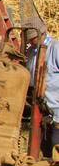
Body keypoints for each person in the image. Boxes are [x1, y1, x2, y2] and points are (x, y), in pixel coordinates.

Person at [23, 16, 59, 155]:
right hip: (41, 106)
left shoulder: (55, 48)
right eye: (30, 39)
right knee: (44, 146)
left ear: (42, 33)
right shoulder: (32, 51)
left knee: (56, 144)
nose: (31, 42)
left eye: (33, 39)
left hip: (56, 106)